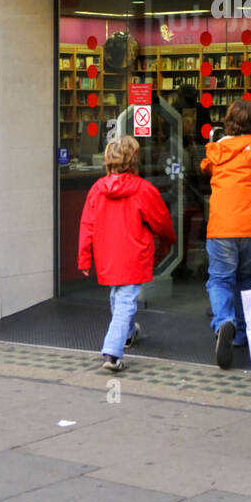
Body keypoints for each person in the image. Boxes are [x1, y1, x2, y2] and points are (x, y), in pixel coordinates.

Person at [78, 135, 175, 372]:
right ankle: (112, 353)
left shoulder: (97, 190)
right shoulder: (143, 189)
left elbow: (87, 225)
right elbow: (161, 221)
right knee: (123, 302)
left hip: (108, 254)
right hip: (134, 254)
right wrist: (169, 241)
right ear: (134, 160)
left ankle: (128, 334)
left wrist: (84, 257)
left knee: (119, 299)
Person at [201, 98, 251, 369]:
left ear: (228, 122)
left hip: (220, 228)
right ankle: (241, 334)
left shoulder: (216, 150)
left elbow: (205, 168)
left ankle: (224, 323)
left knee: (219, 280)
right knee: (247, 280)